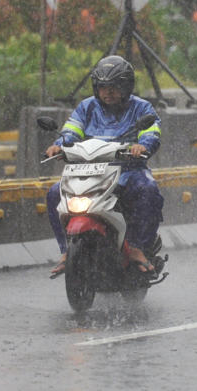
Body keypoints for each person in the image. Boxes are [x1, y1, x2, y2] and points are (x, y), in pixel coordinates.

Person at [45, 55, 164, 275]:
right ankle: (65, 251)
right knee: (54, 193)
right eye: (103, 87)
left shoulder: (142, 108)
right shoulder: (86, 107)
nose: (108, 92)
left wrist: (142, 146)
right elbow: (71, 131)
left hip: (128, 170)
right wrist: (58, 145)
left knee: (148, 190)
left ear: (127, 87)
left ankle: (137, 248)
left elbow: (151, 133)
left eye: (115, 86)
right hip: (88, 171)